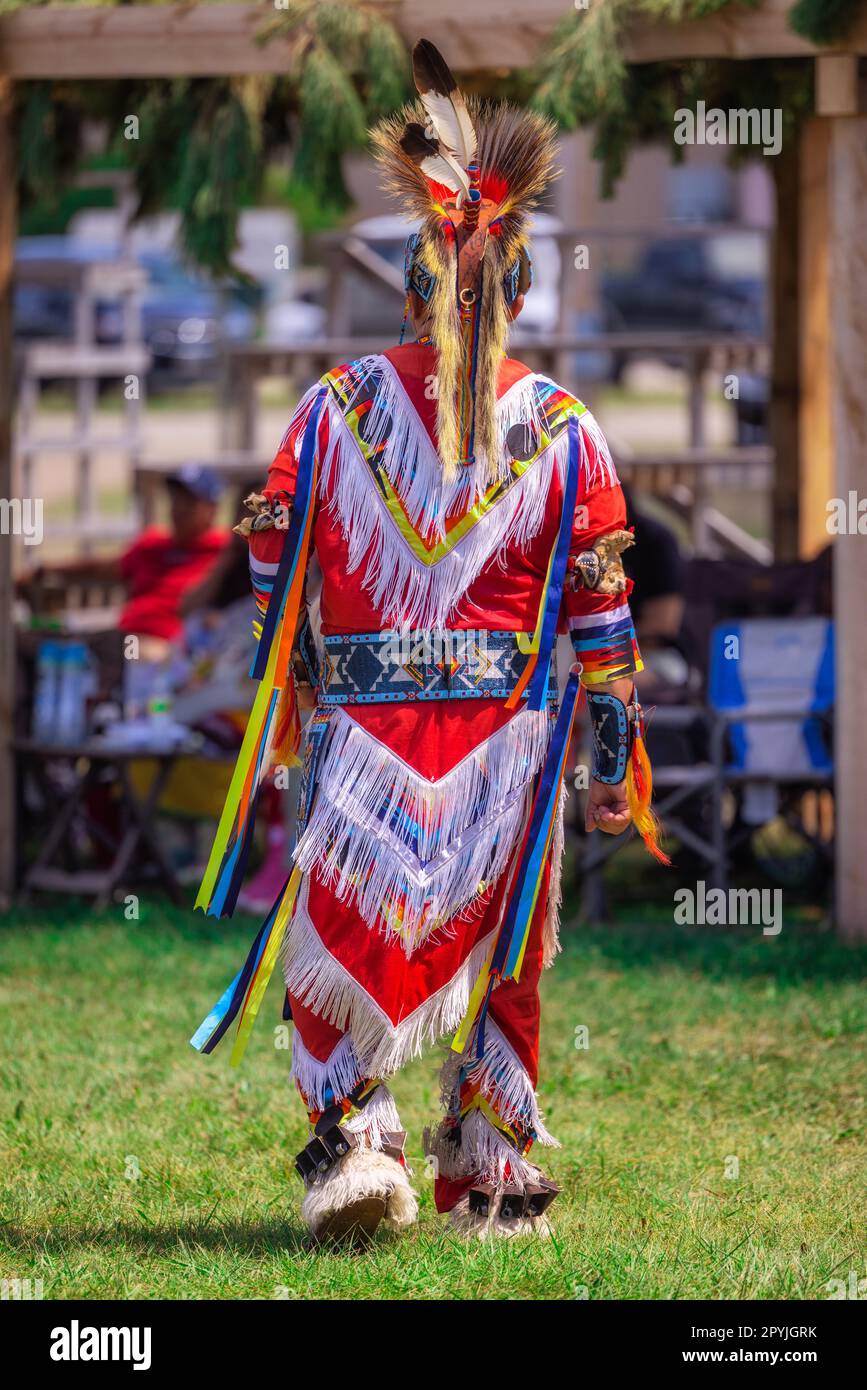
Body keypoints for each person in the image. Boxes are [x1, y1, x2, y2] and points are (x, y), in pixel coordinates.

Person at [192, 41, 667, 1246]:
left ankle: (353, 1148)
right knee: (502, 959)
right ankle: (494, 1173)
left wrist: (286, 693)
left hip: (362, 740)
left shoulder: (332, 409)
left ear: (409, 286)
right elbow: (602, 613)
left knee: (338, 937)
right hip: (501, 746)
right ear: (513, 293)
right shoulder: (567, 428)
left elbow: (273, 560)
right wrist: (612, 759)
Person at [28, 465, 229, 642]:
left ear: (212, 508)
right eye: (176, 499)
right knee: (32, 641)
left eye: (189, 502)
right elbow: (102, 567)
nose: (179, 509)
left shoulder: (224, 552)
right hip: (126, 639)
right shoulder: (152, 545)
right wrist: (44, 570)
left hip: (179, 650)